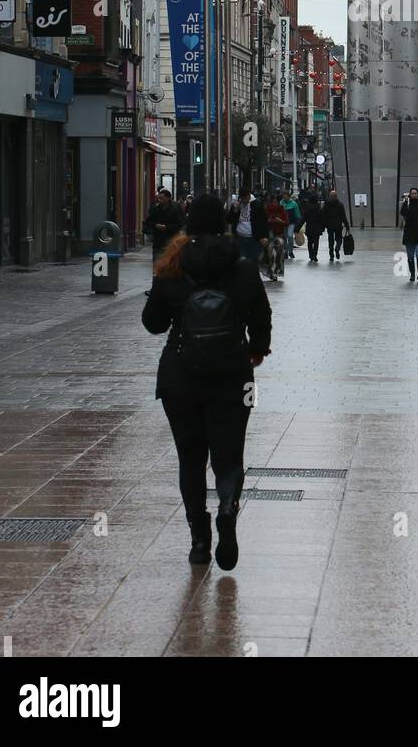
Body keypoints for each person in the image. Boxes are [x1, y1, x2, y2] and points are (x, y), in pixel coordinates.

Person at [141, 194, 272, 571]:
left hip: (180, 377)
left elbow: (153, 324)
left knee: (191, 458)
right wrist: (257, 350)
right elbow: (261, 318)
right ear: (224, 224)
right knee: (229, 456)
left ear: (188, 223)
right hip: (233, 377)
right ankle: (228, 508)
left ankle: (199, 540)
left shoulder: (172, 264)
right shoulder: (244, 267)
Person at [227, 188, 269, 267]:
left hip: (254, 238)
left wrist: (265, 236)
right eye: (242, 199)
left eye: (245, 198)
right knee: (241, 261)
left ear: (249, 195)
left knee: (254, 261)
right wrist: (234, 210)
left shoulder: (257, 204)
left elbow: (263, 221)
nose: (244, 200)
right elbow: (229, 220)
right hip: (240, 237)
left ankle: (252, 278)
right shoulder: (237, 204)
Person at [143, 188, 184, 263]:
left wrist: (166, 227)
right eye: (158, 198)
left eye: (161, 198)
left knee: (170, 262)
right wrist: (156, 225)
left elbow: (180, 224)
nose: (159, 200)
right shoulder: (155, 208)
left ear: (168, 198)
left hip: (171, 239)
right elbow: (148, 221)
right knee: (157, 262)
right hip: (158, 240)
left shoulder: (175, 208)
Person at [400, 187, 418, 283]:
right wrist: (405, 202)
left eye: (415, 193)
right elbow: (402, 212)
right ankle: (412, 274)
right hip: (409, 234)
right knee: (410, 257)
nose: (414, 195)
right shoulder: (407, 203)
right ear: (410, 194)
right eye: (412, 193)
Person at [322, 190, 349, 263]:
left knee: (330, 240)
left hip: (329, 225)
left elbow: (323, 215)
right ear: (336, 197)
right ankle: (337, 248)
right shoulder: (340, 205)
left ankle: (331, 255)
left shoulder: (326, 204)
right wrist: (347, 225)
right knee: (339, 239)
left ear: (330, 196)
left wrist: (323, 225)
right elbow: (343, 216)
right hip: (338, 225)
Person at [265, 195, 288, 279]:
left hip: (279, 235)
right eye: (273, 202)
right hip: (270, 234)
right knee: (271, 254)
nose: (274, 204)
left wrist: (280, 221)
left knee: (278, 255)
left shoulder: (281, 210)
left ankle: (276, 272)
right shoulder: (267, 210)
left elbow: (286, 222)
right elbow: (263, 222)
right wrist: (269, 221)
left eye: (276, 202)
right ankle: (272, 272)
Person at [302, 194, 325, 263]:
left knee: (309, 242)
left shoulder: (307, 207)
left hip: (309, 226)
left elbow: (304, 218)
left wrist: (297, 228)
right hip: (317, 227)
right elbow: (322, 218)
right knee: (316, 242)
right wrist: (323, 227)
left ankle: (310, 255)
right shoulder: (318, 207)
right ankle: (315, 255)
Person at [281, 190, 302, 260]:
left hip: (291, 223)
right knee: (284, 238)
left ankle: (290, 251)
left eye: (286, 197)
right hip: (283, 223)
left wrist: (297, 224)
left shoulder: (294, 204)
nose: (285, 198)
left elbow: (297, 214)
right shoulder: (281, 203)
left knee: (290, 236)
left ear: (289, 197)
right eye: (284, 197)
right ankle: (286, 252)